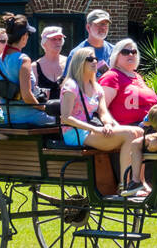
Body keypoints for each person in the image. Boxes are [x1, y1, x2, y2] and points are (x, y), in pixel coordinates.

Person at [59, 46, 148, 197]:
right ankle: (124, 185)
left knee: (139, 132)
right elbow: (66, 118)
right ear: (80, 62)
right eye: (90, 59)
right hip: (74, 132)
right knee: (128, 134)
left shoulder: (96, 87)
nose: (95, 62)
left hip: (92, 130)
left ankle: (139, 182)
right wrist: (96, 129)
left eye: (95, 58)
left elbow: (103, 112)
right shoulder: (71, 86)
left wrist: (107, 123)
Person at [0, 13, 54, 127]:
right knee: (65, 123)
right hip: (30, 117)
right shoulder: (23, 59)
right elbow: (26, 96)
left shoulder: (0, 59)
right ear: (24, 36)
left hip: (8, 117)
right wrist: (45, 108)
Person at [98, 37, 157, 126]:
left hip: (152, 124)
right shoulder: (111, 76)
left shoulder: (137, 76)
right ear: (116, 56)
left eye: (134, 52)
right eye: (125, 52)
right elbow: (101, 109)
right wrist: (117, 128)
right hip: (131, 129)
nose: (130, 54)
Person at [34, 25, 68, 118]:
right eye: (53, 39)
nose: (57, 42)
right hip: (43, 115)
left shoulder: (69, 63)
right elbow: (32, 94)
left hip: (67, 115)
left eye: (60, 39)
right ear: (44, 43)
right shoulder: (35, 67)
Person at [68, 9, 115, 73]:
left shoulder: (115, 52)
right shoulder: (77, 54)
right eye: (99, 24)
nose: (103, 28)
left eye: (106, 24)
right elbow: (69, 81)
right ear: (88, 27)